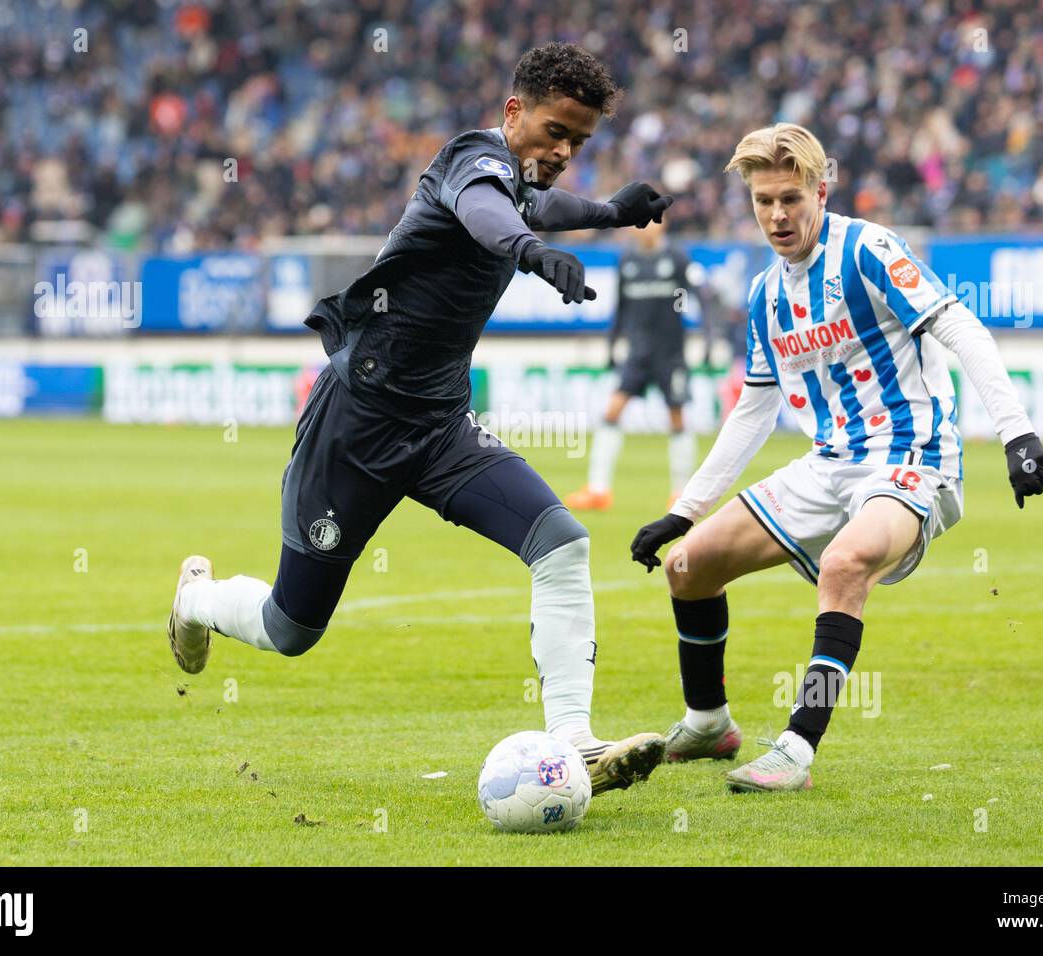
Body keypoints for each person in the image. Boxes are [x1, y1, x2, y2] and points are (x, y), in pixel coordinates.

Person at [166, 43, 674, 794]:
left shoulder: (518, 180)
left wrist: (610, 214)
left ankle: (576, 742)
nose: (564, 150)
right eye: (555, 130)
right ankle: (197, 598)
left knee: (562, 543)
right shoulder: (471, 161)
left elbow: (538, 205)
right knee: (291, 629)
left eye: (581, 140)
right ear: (513, 113)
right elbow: (491, 216)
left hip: (441, 425)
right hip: (357, 421)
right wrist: (533, 255)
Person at [629, 123, 1043, 792]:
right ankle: (709, 721)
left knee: (845, 562)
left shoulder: (869, 249)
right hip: (828, 463)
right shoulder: (766, 294)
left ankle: (797, 746)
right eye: (763, 200)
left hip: (911, 456)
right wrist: (684, 513)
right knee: (687, 568)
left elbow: (960, 327)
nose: (776, 215)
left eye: (791, 199)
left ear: (821, 192)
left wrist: (1017, 433)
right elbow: (754, 409)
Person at [565, 218, 710, 510]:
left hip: (670, 354)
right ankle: (598, 490)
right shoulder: (627, 260)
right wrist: (611, 345)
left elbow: (700, 300)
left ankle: (682, 493)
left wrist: (708, 340)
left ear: (663, 225)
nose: (641, 228)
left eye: (649, 223)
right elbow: (620, 306)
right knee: (611, 412)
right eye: (638, 224)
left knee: (677, 418)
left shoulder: (677, 258)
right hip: (638, 353)